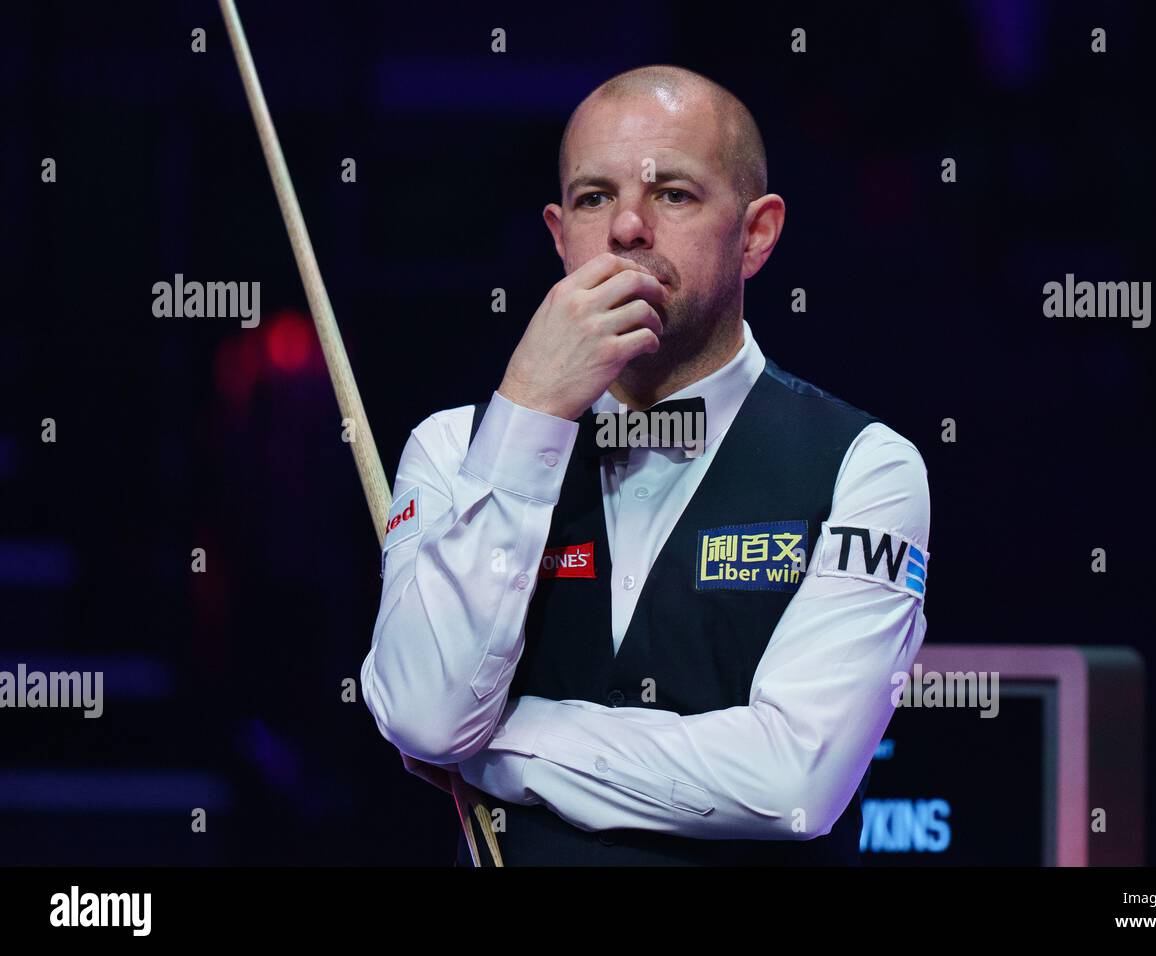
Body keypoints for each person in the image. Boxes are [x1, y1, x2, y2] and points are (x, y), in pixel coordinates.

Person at [360, 64, 931, 865]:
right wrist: (527, 414)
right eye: (595, 198)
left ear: (757, 233)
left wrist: (499, 745)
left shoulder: (866, 467)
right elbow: (426, 714)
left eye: (673, 195)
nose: (627, 228)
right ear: (560, 237)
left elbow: (792, 784)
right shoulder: (456, 447)